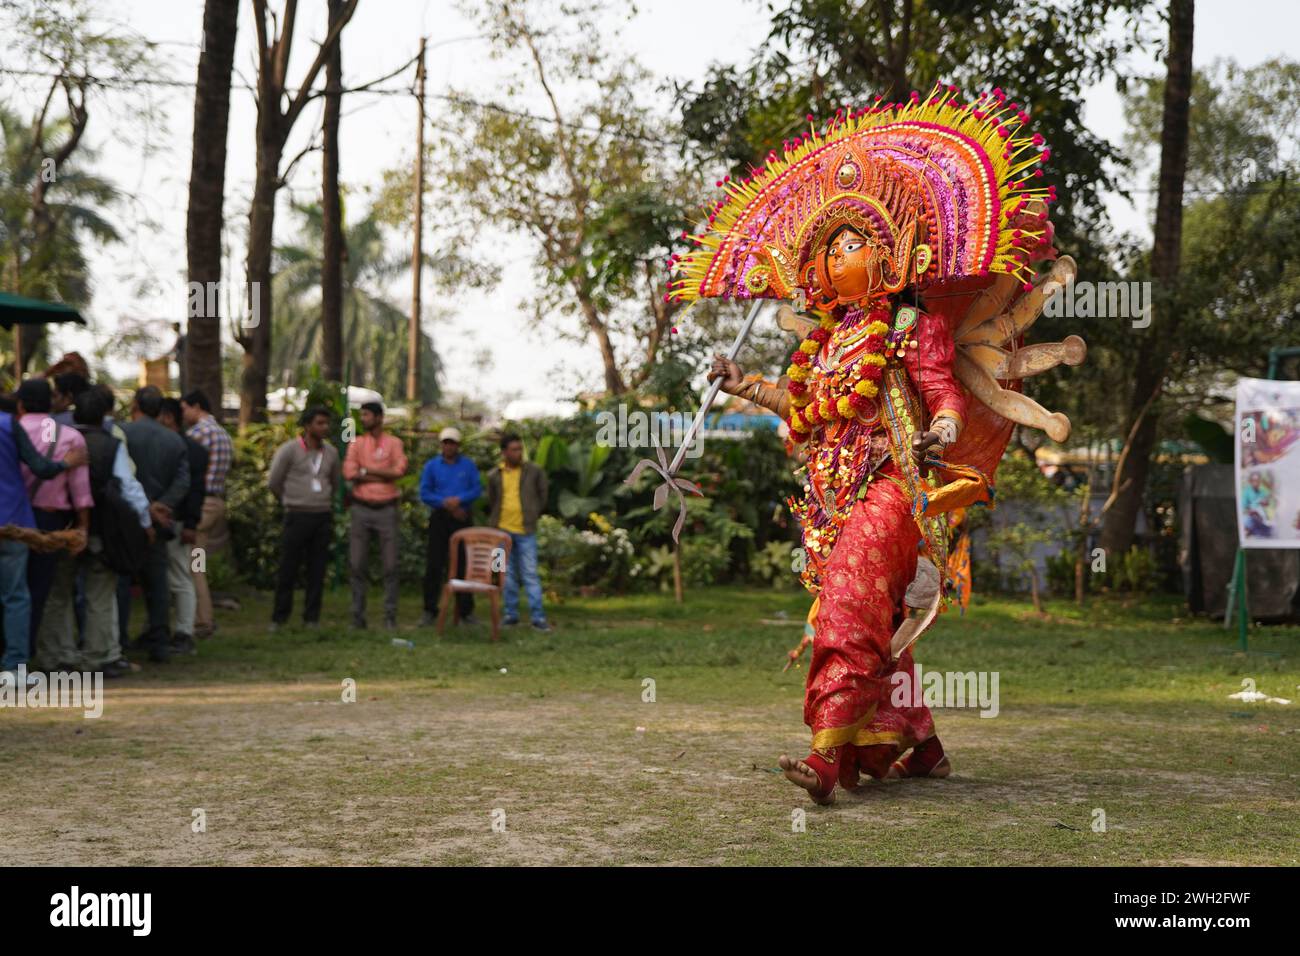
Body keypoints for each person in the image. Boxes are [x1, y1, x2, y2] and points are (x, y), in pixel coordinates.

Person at [679, 85, 1076, 802]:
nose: (837, 257)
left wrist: (945, 430)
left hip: (893, 484)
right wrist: (742, 384)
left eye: (852, 241)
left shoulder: (907, 328)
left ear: (890, 254)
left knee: (847, 609)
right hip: (827, 499)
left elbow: (945, 392)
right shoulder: (828, 340)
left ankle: (827, 756)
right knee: (874, 614)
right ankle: (918, 745)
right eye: (827, 245)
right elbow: (800, 408)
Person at [0, 401, 86, 684]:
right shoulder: (8, 425)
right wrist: (66, 463)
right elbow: (40, 467)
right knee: (15, 595)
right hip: (12, 522)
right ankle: (14, 666)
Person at [72, 385, 151, 677]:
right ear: (105, 414)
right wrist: (144, 520)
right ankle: (98, 654)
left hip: (57, 526)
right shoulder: (110, 443)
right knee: (100, 593)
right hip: (101, 527)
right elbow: (128, 485)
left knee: (57, 595)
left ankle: (59, 655)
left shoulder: (60, 438)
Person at [121, 385, 191, 663]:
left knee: (121, 580)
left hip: (125, 519)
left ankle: (118, 641)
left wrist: (143, 506)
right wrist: (162, 505)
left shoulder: (123, 434)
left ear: (135, 405)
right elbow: (184, 481)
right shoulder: (175, 441)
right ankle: (160, 640)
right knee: (158, 582)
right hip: (161, 520)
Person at [267, 406, 340, 629]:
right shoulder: (289, 450)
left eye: (326, 423)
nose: (324, 427)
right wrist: (289, 499)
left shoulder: (331, 453)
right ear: (307, 426)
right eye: (319, 423)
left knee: (317, 570)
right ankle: (279, 618)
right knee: (288, 568)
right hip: (297, 515)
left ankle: (311, 617)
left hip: (322, 516)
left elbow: (336, 482)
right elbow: (274, 482)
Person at [342, 401, 407, 630]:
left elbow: (399, 471)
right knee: (357, 564)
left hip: (387, 509)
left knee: (390, 566)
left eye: (367, 415)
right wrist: (383, 475)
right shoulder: (356, 443)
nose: (364, 419)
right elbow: (349, 472)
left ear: (379, 417)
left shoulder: (395, 443)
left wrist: (366, 471)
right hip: (361, 509)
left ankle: (390, 617)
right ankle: (357, 617)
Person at [180, 389, 232, 639]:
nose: (183, 415)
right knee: (199, 562)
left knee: (193, 566)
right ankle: (203, 616)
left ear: (196, 406)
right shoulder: (221, 432)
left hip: (202, 506)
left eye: (184, 409)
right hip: (216, 503)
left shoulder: (198, 433)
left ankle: (202, 620)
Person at [485, 433, 550, 631]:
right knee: (506, 574)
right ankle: (511, 615)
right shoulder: (494, 474)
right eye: (513, 449)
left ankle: (538, 618)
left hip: (526, 530)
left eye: (520, 449)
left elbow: (543, 495)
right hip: (502, 532)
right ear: (504, 452)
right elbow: (491, 500)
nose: (518, 453)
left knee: (530, 573)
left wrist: (534, 512)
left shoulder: (534, 471)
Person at [159, 398, 207, 655]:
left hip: (177, 521)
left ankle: (184, 631)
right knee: (177, 576)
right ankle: (175, 629)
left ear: (167, 417)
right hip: (176, 520)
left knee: (180, 576)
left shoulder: (185, 449)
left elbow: (196, 490)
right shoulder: (192, 447)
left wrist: (191, 523)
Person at [419, 426, 481, 627]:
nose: (449, 446)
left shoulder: (468, 466)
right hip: (439, 517)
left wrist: (459, 500)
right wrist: (445, 503)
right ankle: (429, 610)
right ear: (441, 445)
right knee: (434, 564)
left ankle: (465, 612)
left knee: (463, 564)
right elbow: (425, 493)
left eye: (452, 443)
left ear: (458, 445)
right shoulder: (432, 466)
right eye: (446, 442)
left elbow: (476, 490)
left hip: (462, 518)